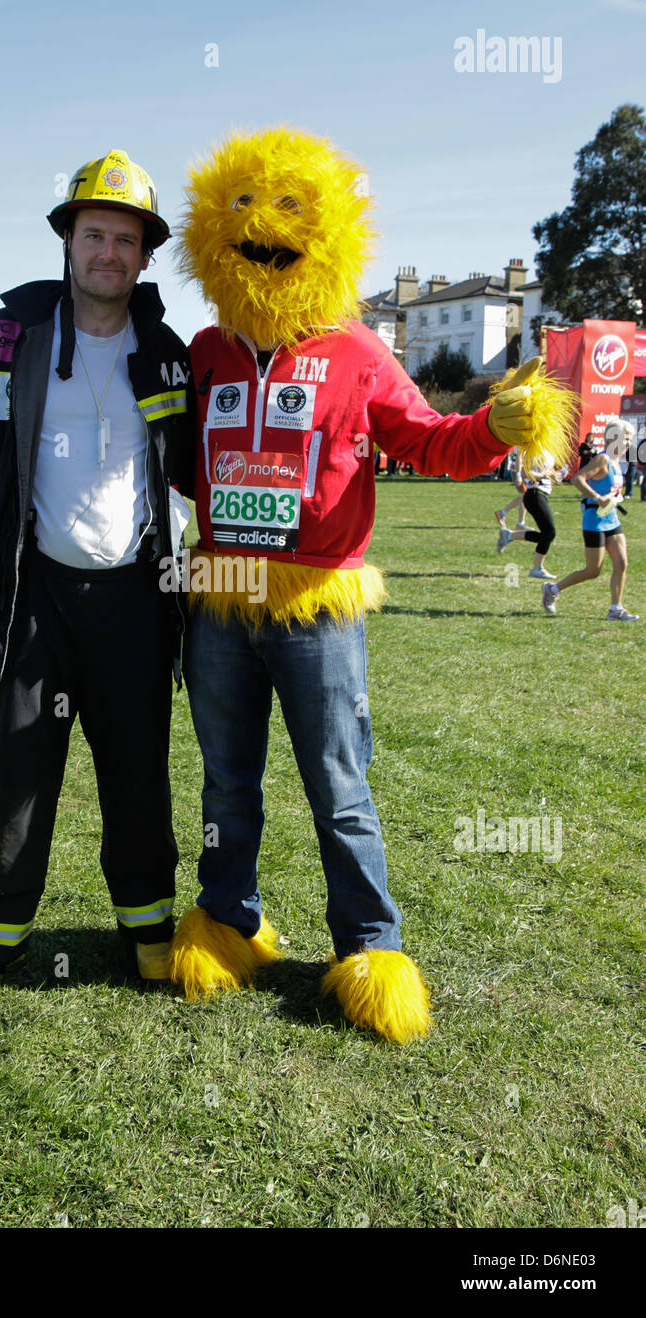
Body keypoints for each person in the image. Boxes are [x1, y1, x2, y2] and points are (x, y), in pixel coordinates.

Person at [167, 126, 576, 1043]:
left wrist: (497, 424)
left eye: (286, 211)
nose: (263, 230)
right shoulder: (203, 349)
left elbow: (428, 441)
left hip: (319, 607)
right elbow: (178, 460)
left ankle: (369, 946)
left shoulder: (355, 351)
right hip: (221, 595)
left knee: (338, 785)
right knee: (226, 785)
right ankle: (228, 919)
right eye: (243, 208)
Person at [0, 149, 194, 1004]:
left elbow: (194, 458)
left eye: (125, 238)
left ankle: (150, 927)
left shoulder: (166, 351)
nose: (107, 252)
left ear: (145, 255)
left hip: (137, 598)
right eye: (93, 234)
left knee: (138, 768)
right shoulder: (4, 338)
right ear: (67, 241)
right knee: (19, 767)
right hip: (33, 593)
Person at [542, 417, 638, 621]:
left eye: (630, 440)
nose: (628, 443)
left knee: (622, 563)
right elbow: (577, 479)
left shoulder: (617, 462)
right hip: (594, 520)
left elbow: (610, 489)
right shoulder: (602, 459)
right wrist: (597, 498)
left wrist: (614, 498)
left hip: (612, 519)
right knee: (593, 570)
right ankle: (552, 589)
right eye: (625, 438)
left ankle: (615, 609)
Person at [495, 453, 561, 580]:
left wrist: (555, 476)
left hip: (540, 493)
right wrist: (544, 475)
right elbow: (526, 473)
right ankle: (537, 569)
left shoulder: (548, 450)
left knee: (547, 535)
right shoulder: (535, 449)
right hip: (535, 493)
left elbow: (547, 473)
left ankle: (509, 535)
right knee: (549, 533)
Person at [494, 445, 527, 530]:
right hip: (519, 471)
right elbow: (519, 457)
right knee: (526, 497)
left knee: (525, 498)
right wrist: (518, 474)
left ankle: (521, 522)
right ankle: (503, 513)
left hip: (520, 470)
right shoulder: (523, 441)